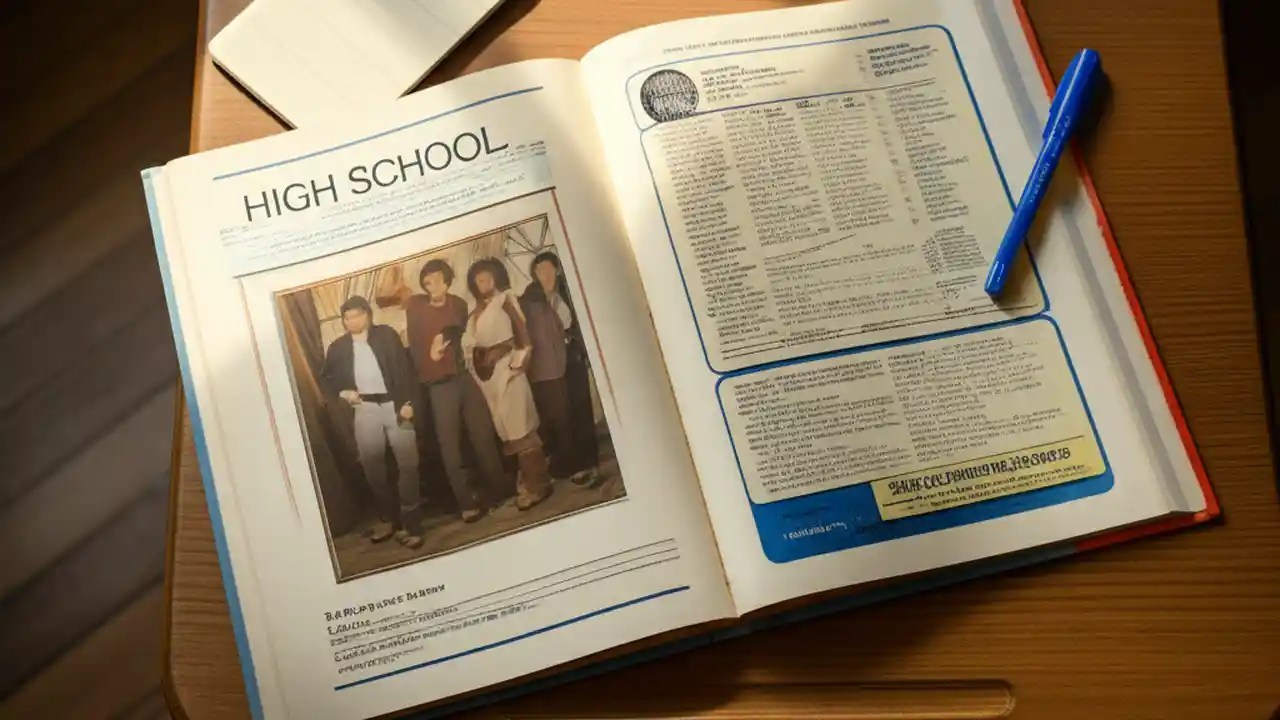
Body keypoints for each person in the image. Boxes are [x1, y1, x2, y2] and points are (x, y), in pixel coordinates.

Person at [405, 259, 511, 522]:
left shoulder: (460, 305)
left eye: (439, 279)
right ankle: (466, 504)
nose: (434, 285)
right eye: (428, 281)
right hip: (438, 385)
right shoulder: (415, 307)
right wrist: (435, 347)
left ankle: (500, 492)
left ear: (449, 280)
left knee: (483, 433)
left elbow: (462, 332)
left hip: (464, 377)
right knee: (449, 445)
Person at [320, 296, 423, 549]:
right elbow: (326, 381)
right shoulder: (337, 348)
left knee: (408, 465)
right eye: (347, 317)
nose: (352, 321)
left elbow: (406, 370)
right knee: (372, 468)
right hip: (364, 408)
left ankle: (412, 524)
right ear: (343, 321)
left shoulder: (387, 335)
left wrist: (410, 403)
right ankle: (389, 519)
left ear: (368, 315)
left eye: (357, 315)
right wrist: (343, 393)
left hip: (396, 405)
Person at [464, 258, 553, 511]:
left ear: (497, 278)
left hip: (509, 370)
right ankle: (526, 481)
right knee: (508, 431)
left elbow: (524, 339)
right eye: (479, 280)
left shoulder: (506, 300)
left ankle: (539, 484)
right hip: (488, 378)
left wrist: (517, 366)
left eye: (488, 278)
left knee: (521, 428)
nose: (484, 283)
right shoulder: (475, 312)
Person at [519, 252, 599, 485]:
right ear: (534, 274)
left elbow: (579, 321)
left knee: (581, 407)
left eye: (549, 268)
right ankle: (570, 465)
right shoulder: (529, 299)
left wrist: (578, 345)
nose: (545, 274)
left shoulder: (569, 292)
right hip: (548, 363)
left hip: (572, 357)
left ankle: (589, 461)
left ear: (558, 270)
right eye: (539, 270)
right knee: (559, 416)